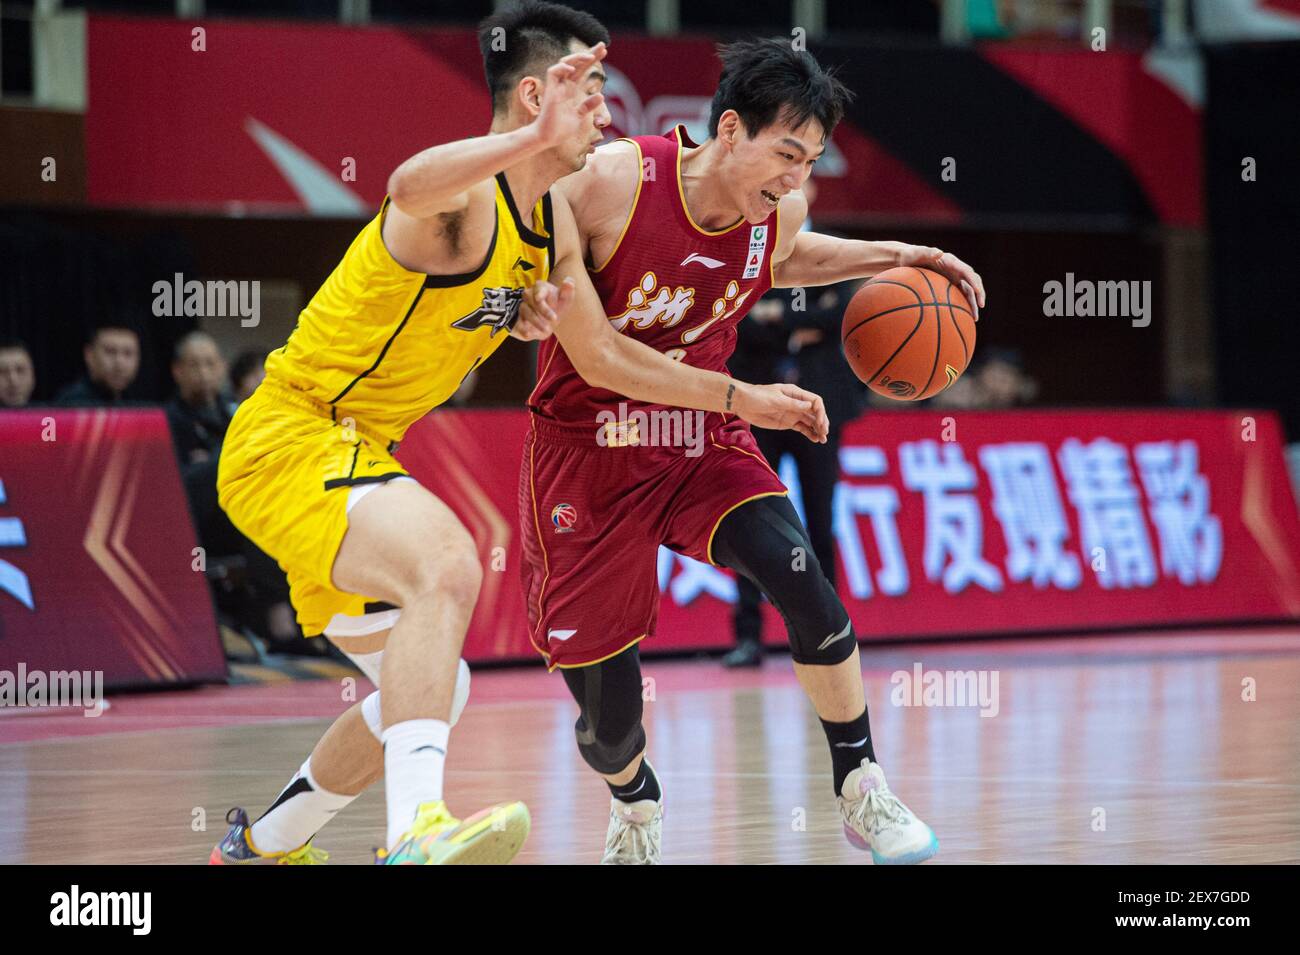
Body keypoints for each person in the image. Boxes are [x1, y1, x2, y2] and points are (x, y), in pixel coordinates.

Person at [209, 1, 823, 867]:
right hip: (290, 435)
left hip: (349, 460)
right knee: (449, 565)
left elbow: (605, 351)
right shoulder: (461, 207)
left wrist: (528, 311)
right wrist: (526, 137)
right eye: (589, 93)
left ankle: (260, 845)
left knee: (432, 684)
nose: (606, 113)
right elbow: (405, 186)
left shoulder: (546, 231)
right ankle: (415, 833)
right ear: (537, 95)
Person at [521, 36, 986, 864]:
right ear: (729, 129)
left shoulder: (781, 211)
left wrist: (902, 254)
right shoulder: (609, 185)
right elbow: (597, 357)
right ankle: (635, 802)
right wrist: (747, 397)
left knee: (803, 574)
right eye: (787, 152)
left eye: (810, 160)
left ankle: (861, 785)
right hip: (590, 449)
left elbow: (782, 257)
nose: (796, 177)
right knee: (608, 723)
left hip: (698, 441)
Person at [724, 277, 865, 667]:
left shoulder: (831, 258)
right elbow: (737, 323)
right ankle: (749, 637)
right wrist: (800, 324)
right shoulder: (752, 252)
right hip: (759, 405)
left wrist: (775, 315)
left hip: (820, 404)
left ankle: (832, 632)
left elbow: (841, 317)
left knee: (821, 519)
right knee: (748, 522)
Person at [54, 325, 140, 406]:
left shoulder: (136, 404)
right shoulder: (72, 405)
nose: (119, 363)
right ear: (89, 355)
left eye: (128, 353)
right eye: (110, 351)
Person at [0, 338, 36, 408]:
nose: (13, 381)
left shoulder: (51, 415)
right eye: (3, 371)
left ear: (33, 376)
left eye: (20, 370)